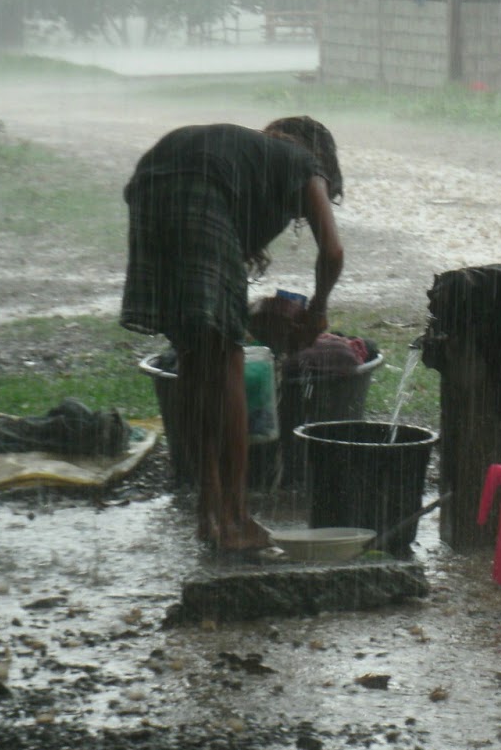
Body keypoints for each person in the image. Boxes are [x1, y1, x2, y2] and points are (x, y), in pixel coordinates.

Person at [120, 117, 344, 551]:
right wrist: (317, 311)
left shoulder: (243, 160)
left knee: (195, 357)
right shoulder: (301, 161)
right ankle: (237, 517)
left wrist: (255, 313)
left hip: (150, 186)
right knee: (226, 362)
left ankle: (210, 510)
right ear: (323, 161)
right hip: (191, 188)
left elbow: (215, 298)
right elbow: (332, 252)